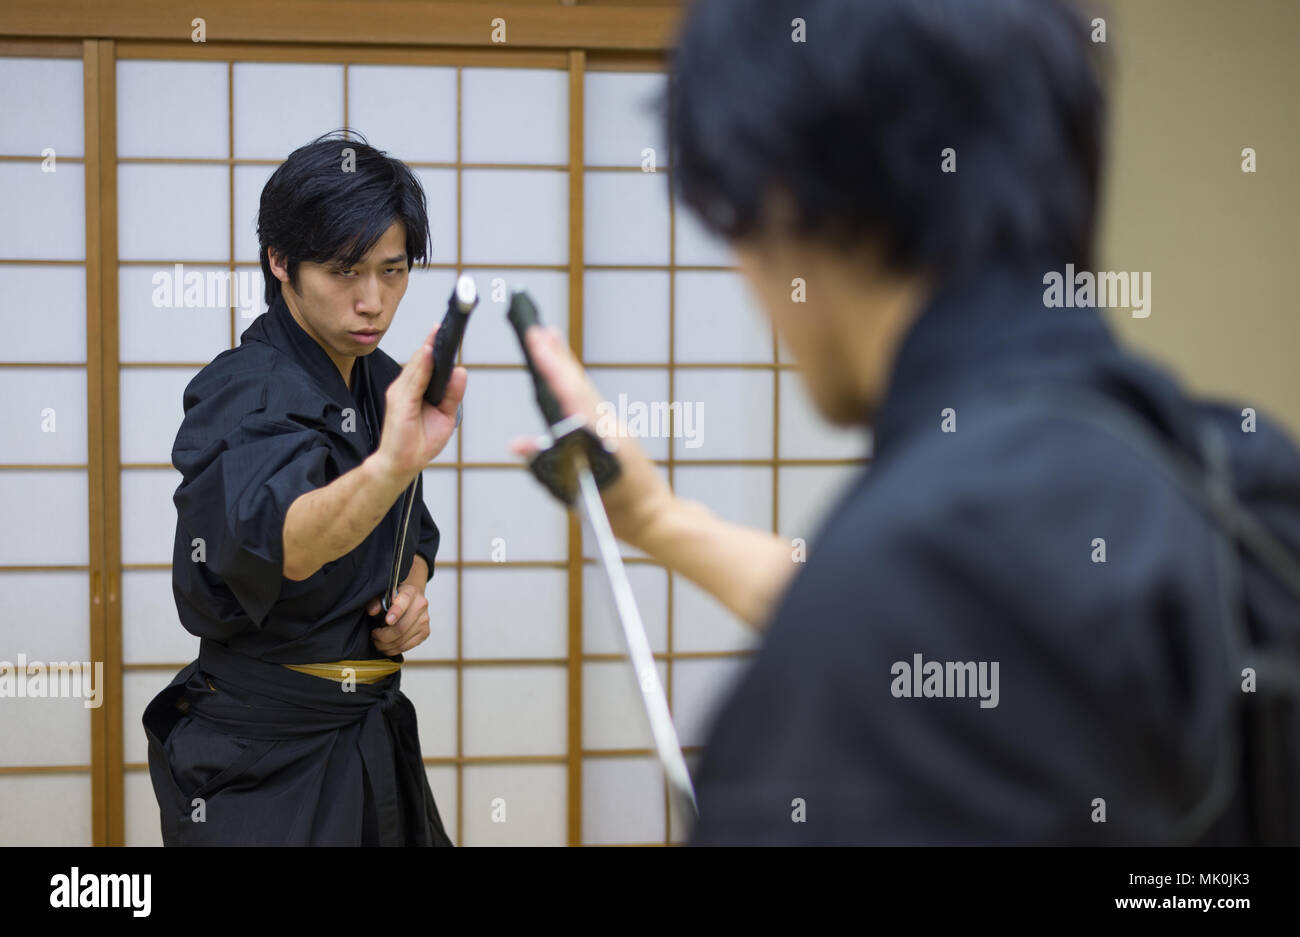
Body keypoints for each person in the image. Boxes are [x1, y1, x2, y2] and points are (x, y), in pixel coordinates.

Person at [511, 0, 1300, 844]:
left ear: (782, 198)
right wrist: (660, 520)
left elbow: (923, 620)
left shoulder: (892, 613)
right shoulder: (1243, 479)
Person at [143, 132, 465, 846]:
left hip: (370, 730)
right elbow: (284, 538)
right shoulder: (246, 389)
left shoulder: (382, 381)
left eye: (393, 270)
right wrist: (388, 466)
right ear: (280, 261)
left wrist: (407, 596)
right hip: (264, 757)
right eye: (345, 271)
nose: (372, 301)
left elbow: (413, 534)